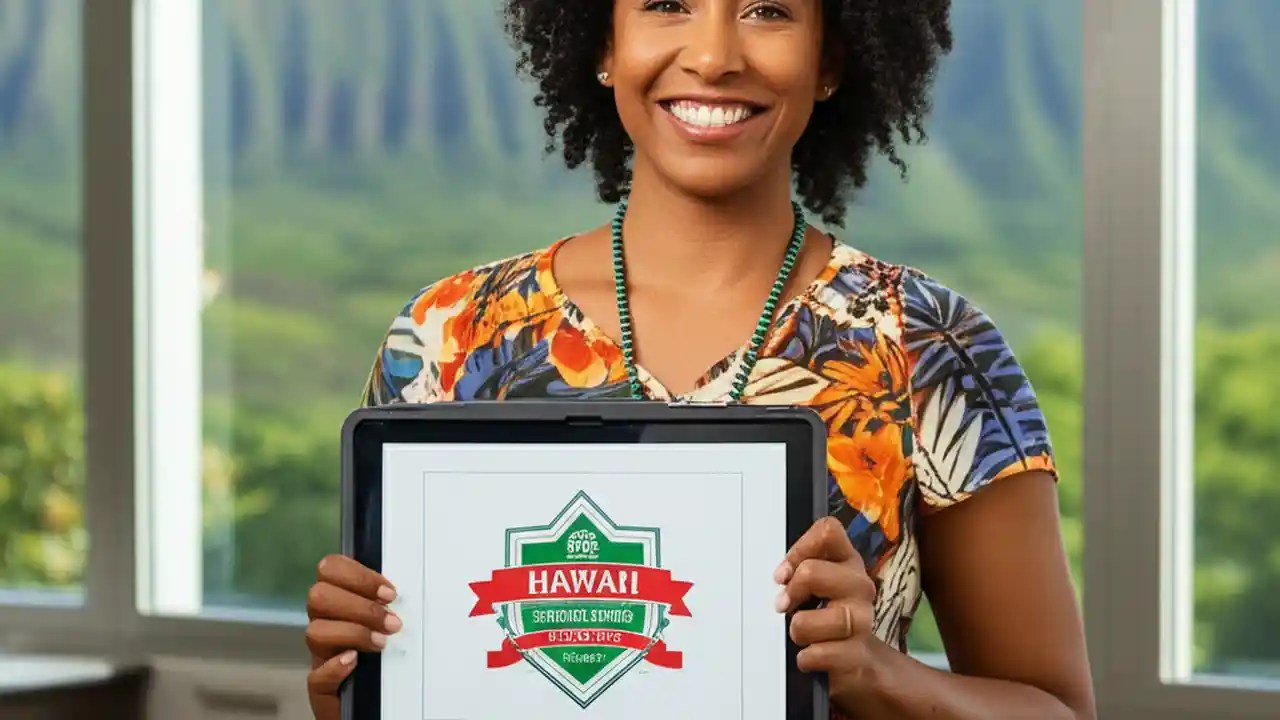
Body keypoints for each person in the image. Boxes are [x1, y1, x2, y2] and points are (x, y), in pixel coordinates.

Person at [304, 0, 1095, 718]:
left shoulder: (928, 344)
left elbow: (1057, 712)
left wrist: (878, 675)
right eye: (667, 4)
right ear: (603, 44)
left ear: (832, 59)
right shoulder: (449, 333)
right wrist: (358, 680)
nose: (714, 54)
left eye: (767, 10)